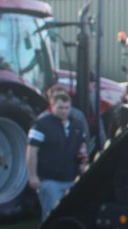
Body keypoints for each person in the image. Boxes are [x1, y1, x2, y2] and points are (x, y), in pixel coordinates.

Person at [27, 88, 88, 219]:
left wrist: (83, 163)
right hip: (50, 181)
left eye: (67, 108)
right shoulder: (41, 124)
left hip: (72, 180)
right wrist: (33, 176)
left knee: (73, 217)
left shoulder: (78, 125)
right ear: (52, 107)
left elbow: (82, 147)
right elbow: (32, 151)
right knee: (52, 217)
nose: (64, 111)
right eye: (60, 108)